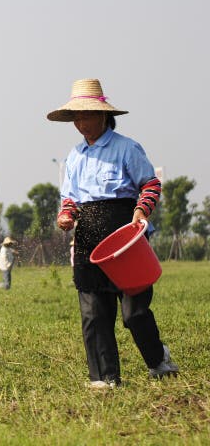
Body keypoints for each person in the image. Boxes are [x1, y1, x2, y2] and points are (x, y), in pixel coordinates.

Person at [49, 78, 178, 389]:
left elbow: (150, 184)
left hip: (125, 234)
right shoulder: (75, 156)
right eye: (76, 118)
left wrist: (140, 213)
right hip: (88, 238)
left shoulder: (126, 148)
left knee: (134, 312)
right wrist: (66, 214)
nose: (81, 124)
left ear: (104, 116)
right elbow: (70, 198)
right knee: (94, 313)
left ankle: (159, 360)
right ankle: (105, 378)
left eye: (87, 116)